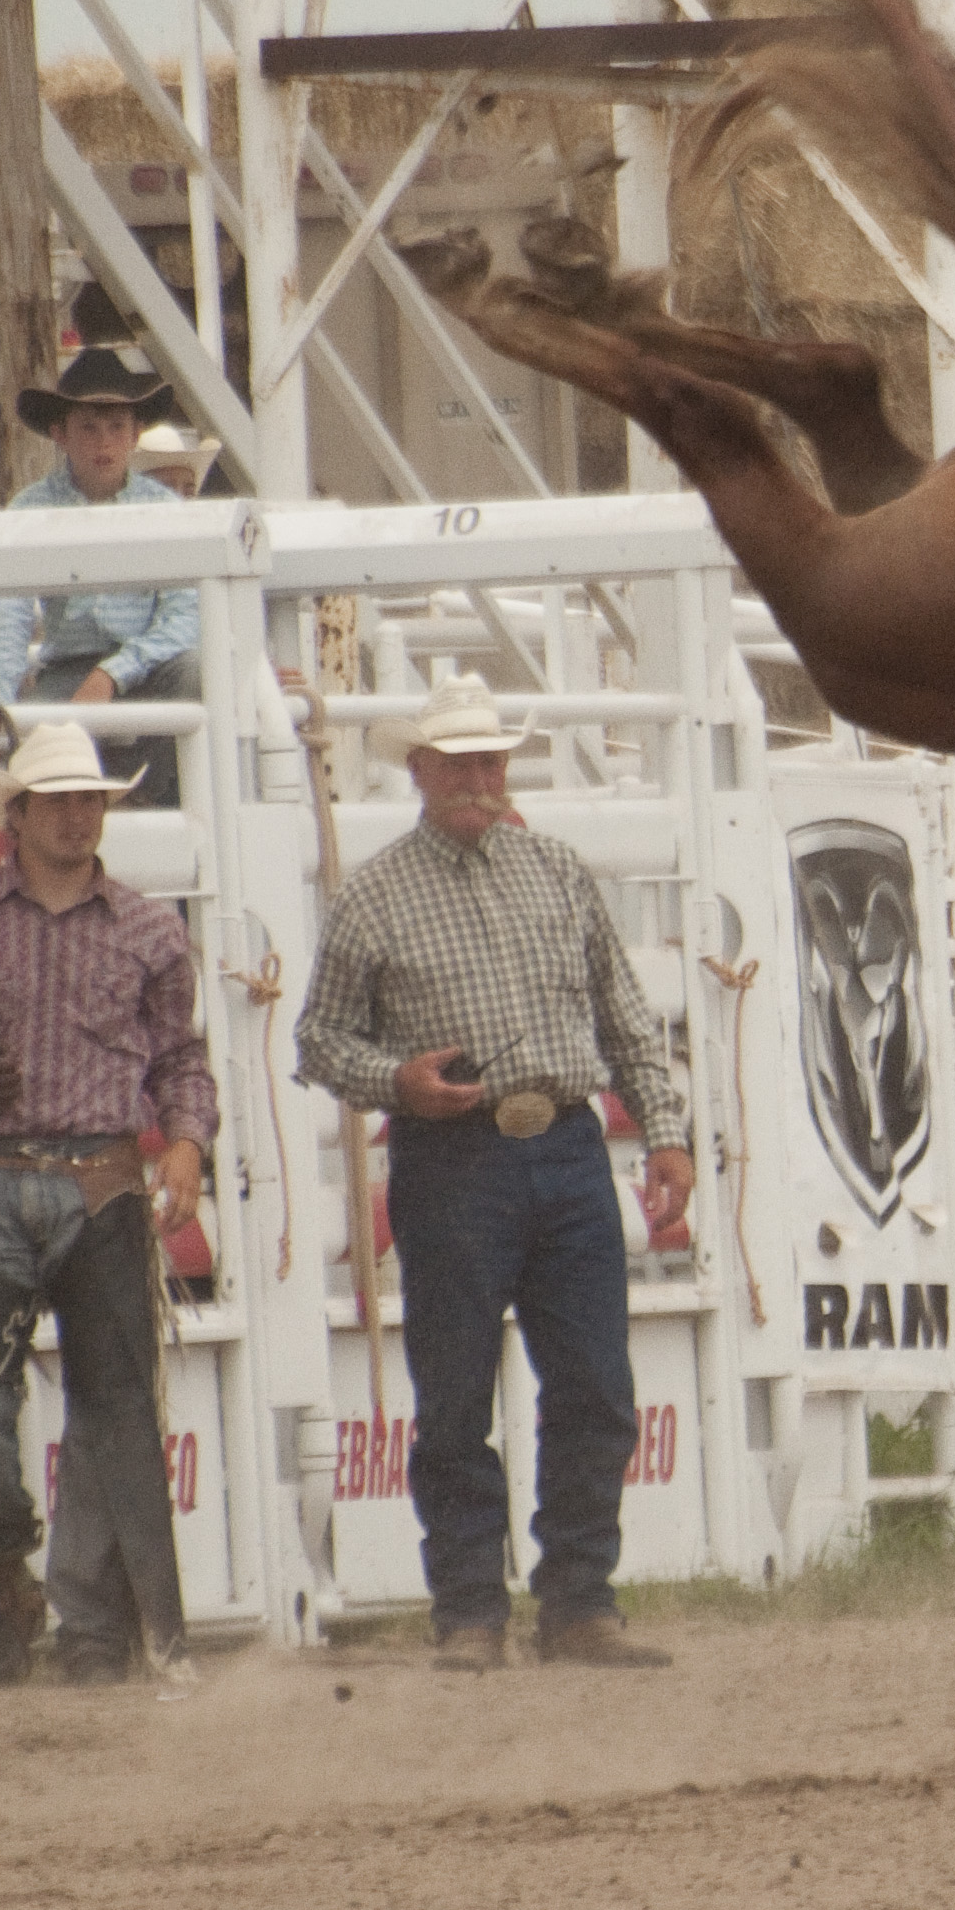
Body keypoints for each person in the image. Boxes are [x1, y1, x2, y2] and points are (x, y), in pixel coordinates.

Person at [295, 675, 695, 1672]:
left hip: (563, 1141)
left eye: (489, 759)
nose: (478, 776)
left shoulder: (556, 869)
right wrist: (397, 1079)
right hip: (452, 1153)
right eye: (459, 761)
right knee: (456, 1394)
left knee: (597, 1385)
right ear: (419, 771)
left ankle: (576, 1600)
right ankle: (471, 1610)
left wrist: (668, 1130)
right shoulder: (375, 895)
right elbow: (319, 1038)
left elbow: (626, 1019)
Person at [0, 722, 214, 1686]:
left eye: (90, 799)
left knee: (107, 1411)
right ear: (17, 815)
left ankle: (94, 1627)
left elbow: (181, 1058)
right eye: (60, 800)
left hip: (101, 1177)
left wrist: (184, 1142)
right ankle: (24, 1579)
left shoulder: (150, 928)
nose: (78, 815)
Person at [0, 350, 202, 809]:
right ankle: (68, 819)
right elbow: (12, 621)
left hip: (147, 666)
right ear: (61, 434)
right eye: (89, 428)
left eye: (117, 427)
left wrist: (111, 674)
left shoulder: (165, 511)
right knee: (32, 726)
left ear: (136, 435)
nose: (104, 443)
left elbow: (184, 619)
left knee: (196, 671)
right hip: (68, 669)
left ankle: (150, 800)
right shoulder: (30, 509)